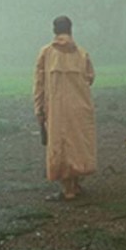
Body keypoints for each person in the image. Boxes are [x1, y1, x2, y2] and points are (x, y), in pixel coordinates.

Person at [33, 15, 96, 201]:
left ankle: (67, 190)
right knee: (77, 144)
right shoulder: (82, 53)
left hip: (56, 109)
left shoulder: (45, 53)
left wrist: (38, 108)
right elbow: (90, 78)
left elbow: (39, 83)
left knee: (59, 145)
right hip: (80, 108)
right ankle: (75, 185)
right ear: (71, 29)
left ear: (54, 30)